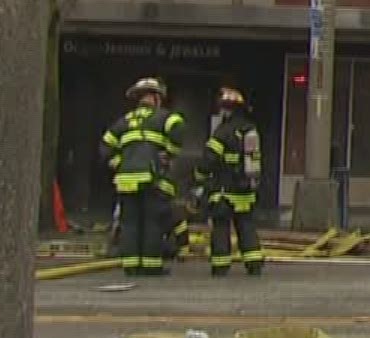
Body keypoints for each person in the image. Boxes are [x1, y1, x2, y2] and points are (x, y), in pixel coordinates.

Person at [99, 76, 188, 277]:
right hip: (149, 178)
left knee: (129, 222)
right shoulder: (164, 117)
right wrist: (169, 153)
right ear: (157, 98)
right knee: (151, 221)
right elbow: (178, 126)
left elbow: (105, 147)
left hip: (125, 180)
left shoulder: (124, 120)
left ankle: (131, 265)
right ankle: (150, 265)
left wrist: (119, 164)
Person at [197, 86, 264, 276]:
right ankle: (254, 264)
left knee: (221, 227)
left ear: (226, 109)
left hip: (224, 190)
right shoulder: (250, 129)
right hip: (245, 191)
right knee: (246, 226)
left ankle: (220, 265)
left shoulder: (222, 132)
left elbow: (209, 160)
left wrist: (199, 177)